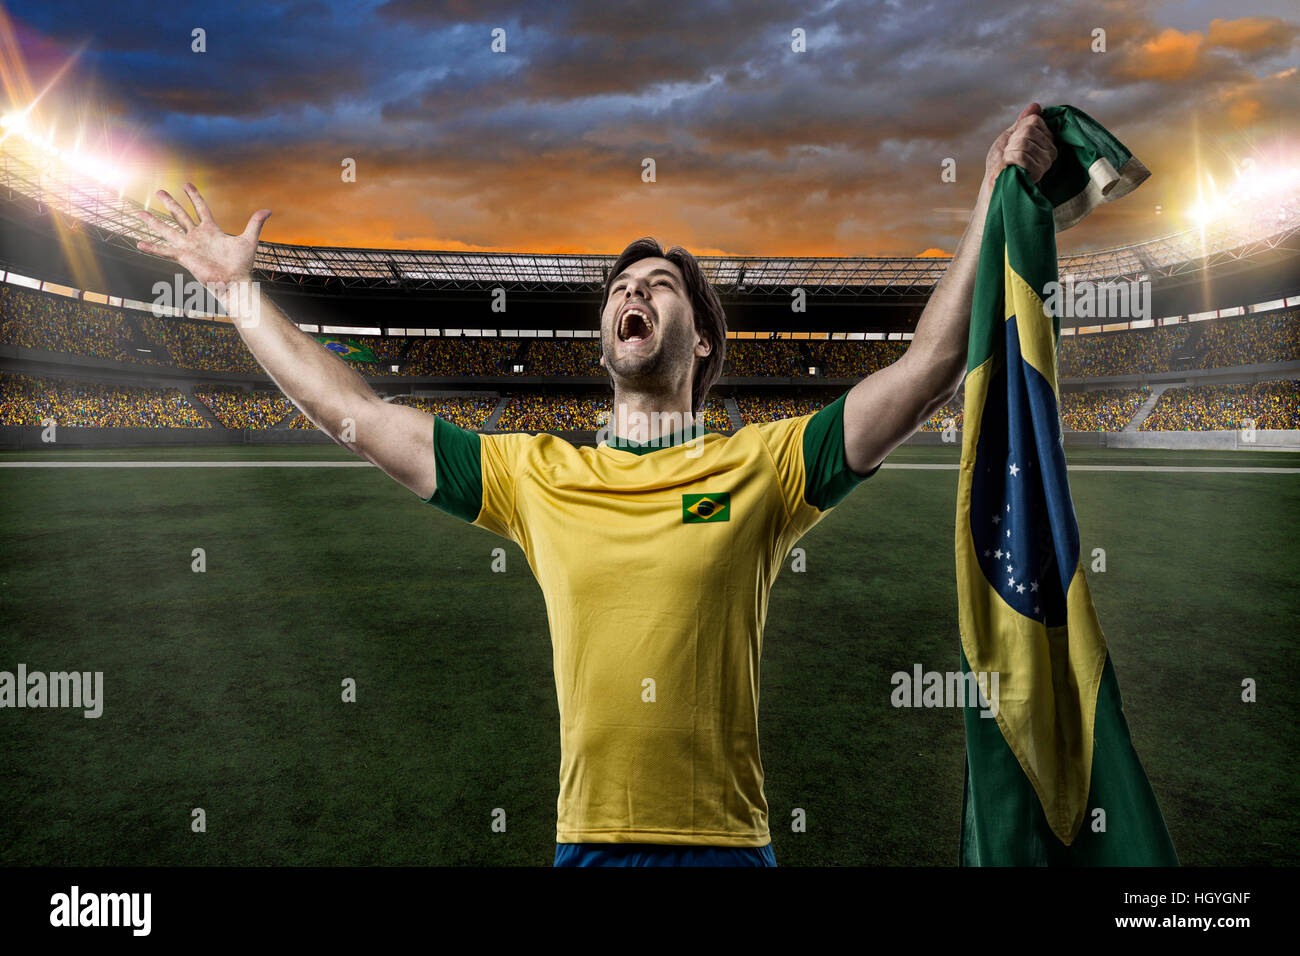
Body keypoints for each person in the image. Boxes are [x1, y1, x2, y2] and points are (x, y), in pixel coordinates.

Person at [135, 103, 1057, 867]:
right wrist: (236, 294)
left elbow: (931, 364)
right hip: (588, 848)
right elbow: (359, 417)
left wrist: (987, 193)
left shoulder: (766, 467)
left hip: (727, 851)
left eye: (660, 285)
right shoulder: (537, 474)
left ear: (699, 341)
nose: (633, 292)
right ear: (607, 333)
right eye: (622, 286)